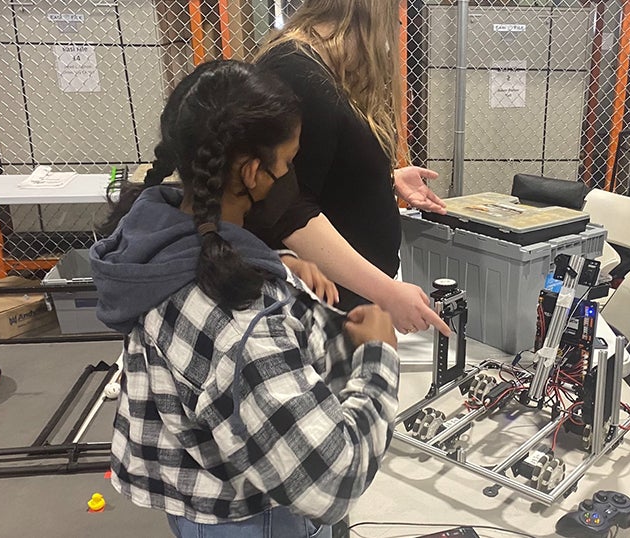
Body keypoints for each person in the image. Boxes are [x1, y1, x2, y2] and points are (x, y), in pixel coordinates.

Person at [90, 60, 399, 538]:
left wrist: (272, 261)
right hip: (255, 518)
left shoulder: (152, 243)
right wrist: (379, 356)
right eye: (288, 163)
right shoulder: (242, 322)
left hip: (194, 501)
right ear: (253, 172)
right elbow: (333, 481)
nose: (291, 176)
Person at [249, 0, 450, 336]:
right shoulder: (296, 73)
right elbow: (288, 209)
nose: (393, 31)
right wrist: (387, 292)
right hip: (319, 312)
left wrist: (381, 179)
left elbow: (323, 168)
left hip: (344, 306)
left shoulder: (320, 68)